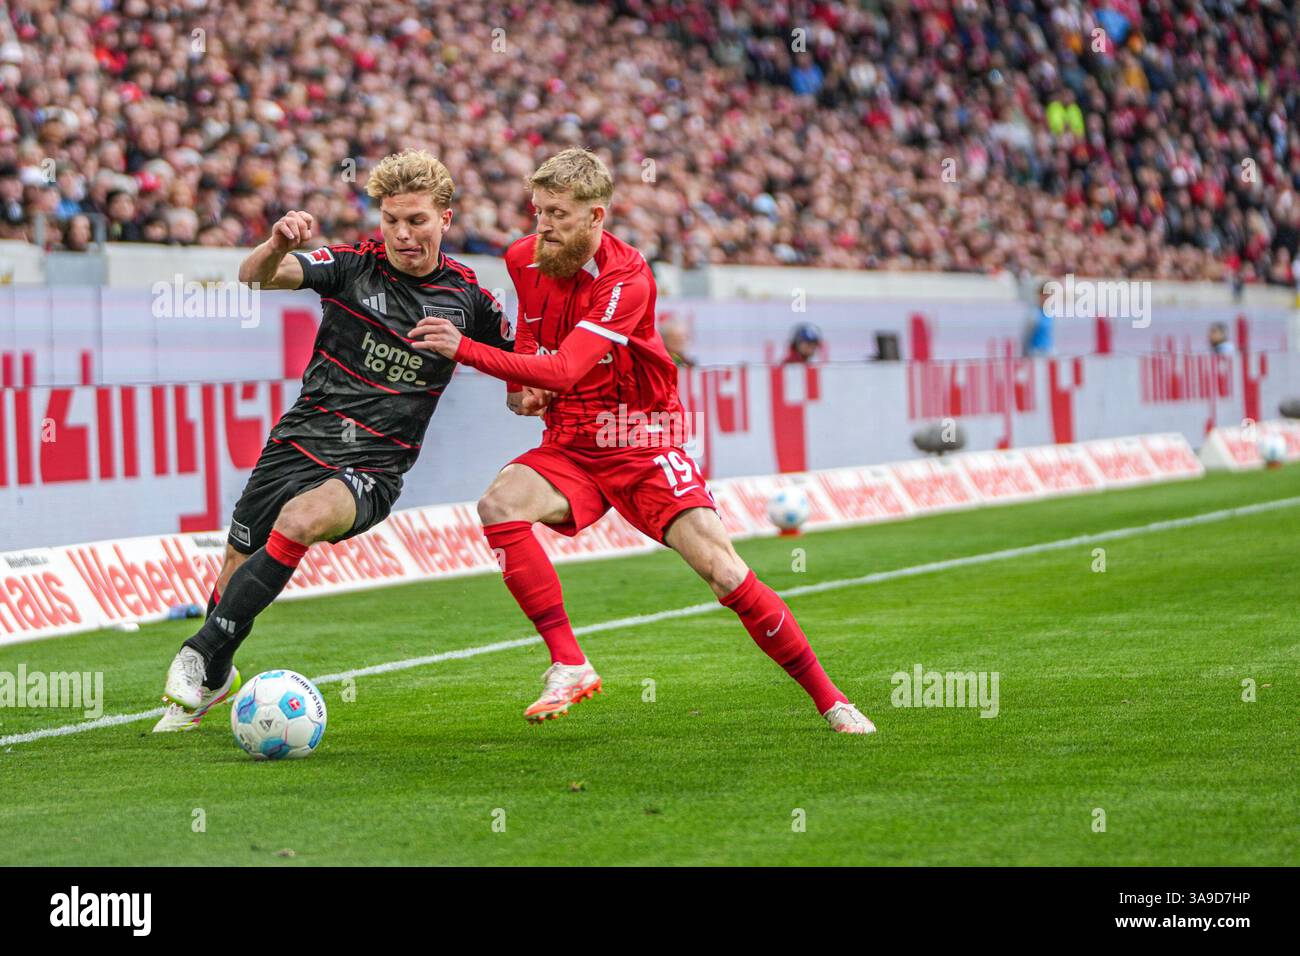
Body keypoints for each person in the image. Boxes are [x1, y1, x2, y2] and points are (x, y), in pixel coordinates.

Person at [413, 148, 874, 734]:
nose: (542, 226)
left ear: (595, 216)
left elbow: (566, 368)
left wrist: (467, 351)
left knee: (724, 573)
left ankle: (831, 700)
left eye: (557, 213)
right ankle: (569, 662)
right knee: (498, 505)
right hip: (573, 438)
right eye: (537, 211)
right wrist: (515, 386)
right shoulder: (524, 260)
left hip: (640, 437)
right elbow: (532, 351)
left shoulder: (627, 278)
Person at [154, 149, 513, 731]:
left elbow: (524, 375)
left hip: (373, 466)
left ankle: (198, 653)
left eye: (417, 220)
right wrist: (276, 244)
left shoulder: (471, 300)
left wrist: (470, 352)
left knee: (300, 519)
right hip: (296, 441)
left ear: (446, 219)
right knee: (233, 573)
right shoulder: (352, 266)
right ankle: (217, 675)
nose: (402, 233)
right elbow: (253, 278)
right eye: (391, 219)